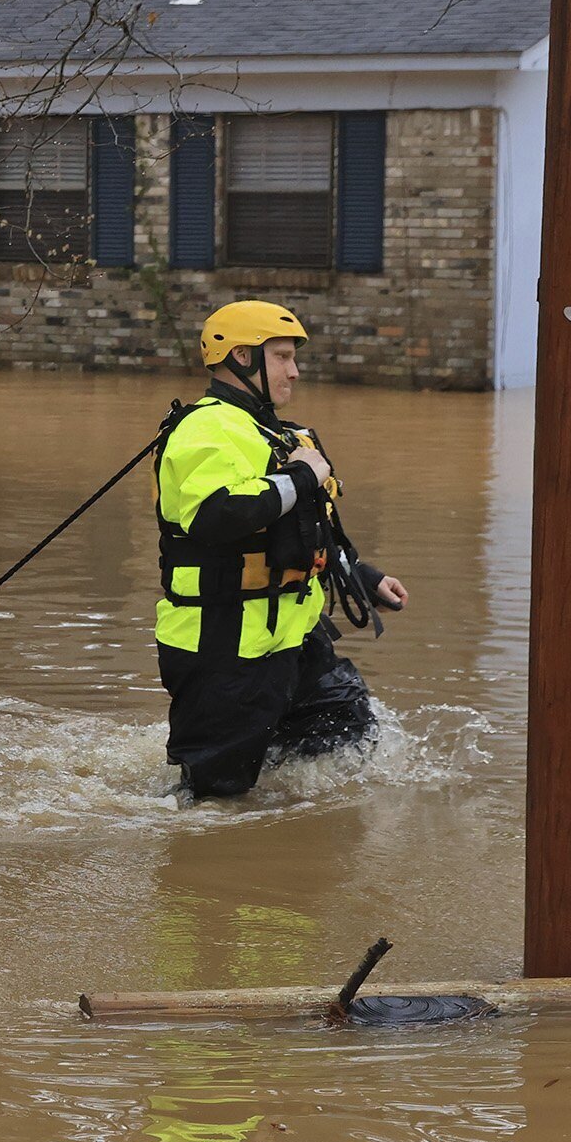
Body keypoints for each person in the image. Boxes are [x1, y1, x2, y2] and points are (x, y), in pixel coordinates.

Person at [152, 301, 409, 799]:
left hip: (293, 639)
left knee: (348, 737)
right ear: (243, 358)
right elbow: (214, 517)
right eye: (284, 357)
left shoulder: (278, 433)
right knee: (214, 802)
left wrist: (362, 576)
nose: (295, 371)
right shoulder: (206, 429)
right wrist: (299, 476)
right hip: (224, 649)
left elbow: (306, 531)